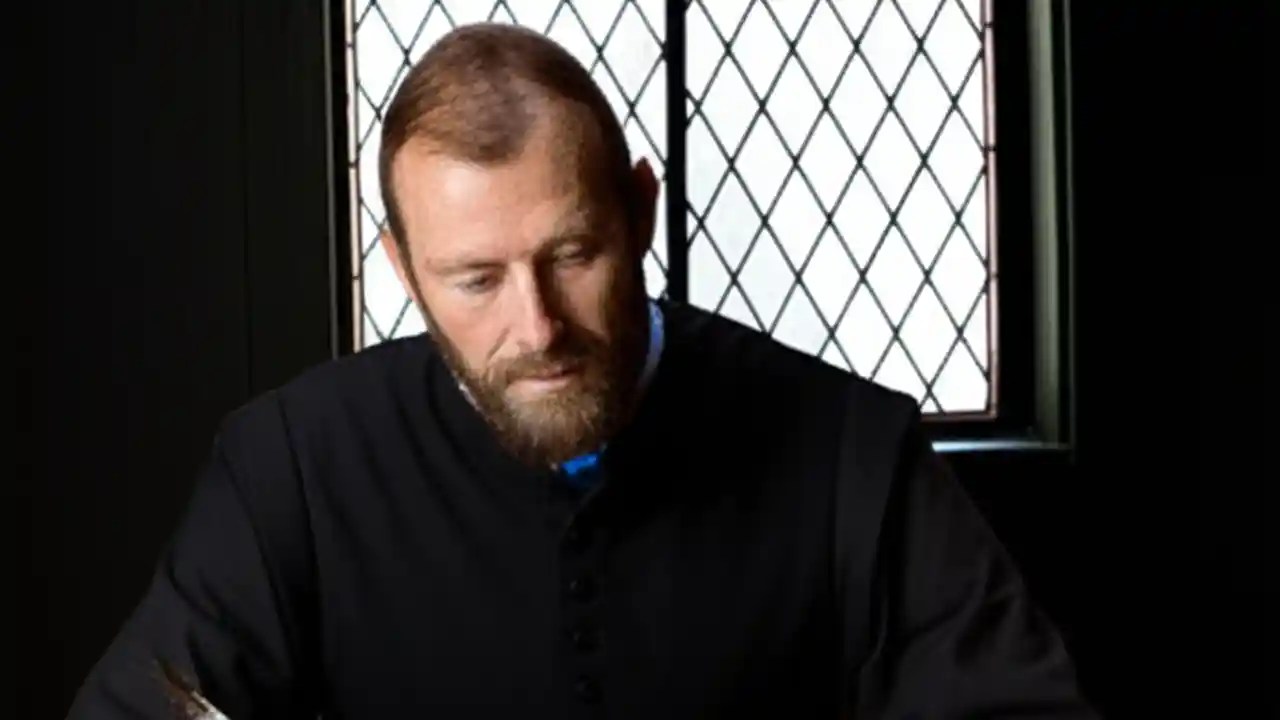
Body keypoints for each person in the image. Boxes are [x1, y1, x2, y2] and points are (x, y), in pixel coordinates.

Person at [69, 23, 1096, 719]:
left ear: (639, 212)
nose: (538, 327)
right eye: (475, 280)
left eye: (572, 255)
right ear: (403, 270)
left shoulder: (851, 452)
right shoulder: (287, 466)